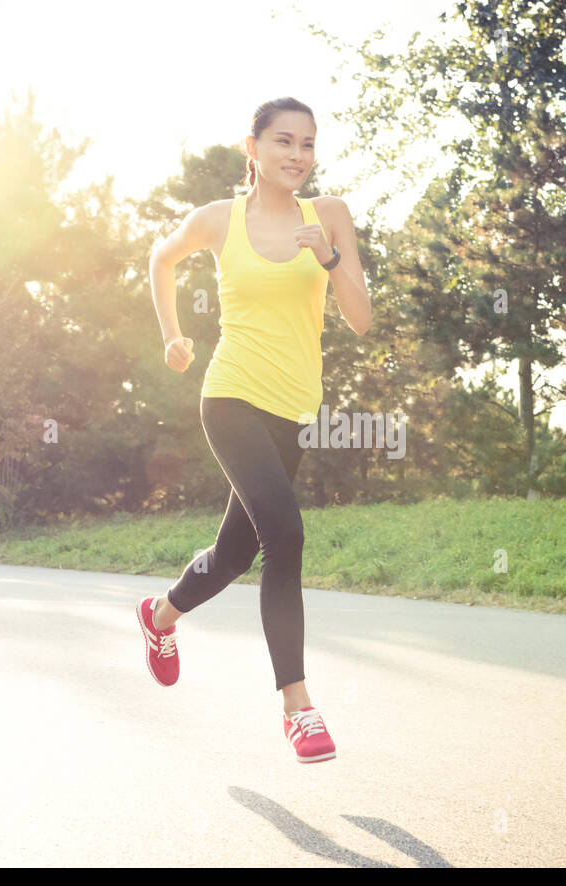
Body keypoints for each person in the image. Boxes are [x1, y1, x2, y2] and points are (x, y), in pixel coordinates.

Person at [141, 97, 372, 763]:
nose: (297, 155)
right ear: (253, 146)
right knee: (286, 534)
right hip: (231, 395)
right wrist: (173, 335)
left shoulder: (328, 218)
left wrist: (330, 259)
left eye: (307, 144)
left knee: (236, 555)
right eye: (283, 142)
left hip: (294, 408)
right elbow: (161, 260)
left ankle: (161, 617)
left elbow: (361, 319)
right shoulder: (219, 220)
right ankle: (298, 707)